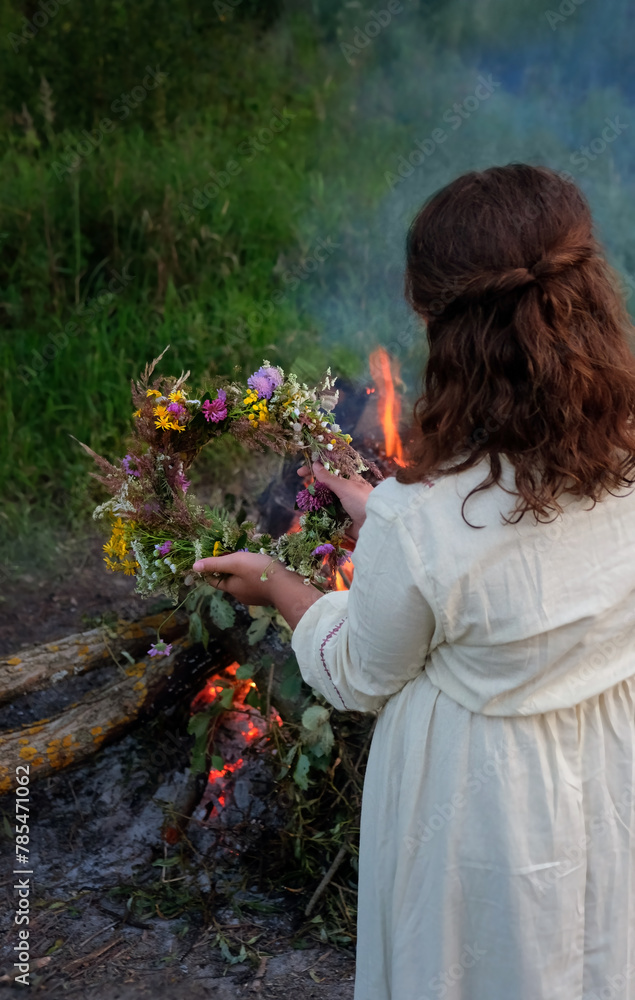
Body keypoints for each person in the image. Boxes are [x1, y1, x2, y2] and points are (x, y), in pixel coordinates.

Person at [192, 164, 635, 1000]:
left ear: (448, 330)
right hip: (610, 773)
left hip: (482, 806)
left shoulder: (420, 516)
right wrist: (386, 526)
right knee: (591, 952)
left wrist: (282, 586)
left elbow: (361, 673)